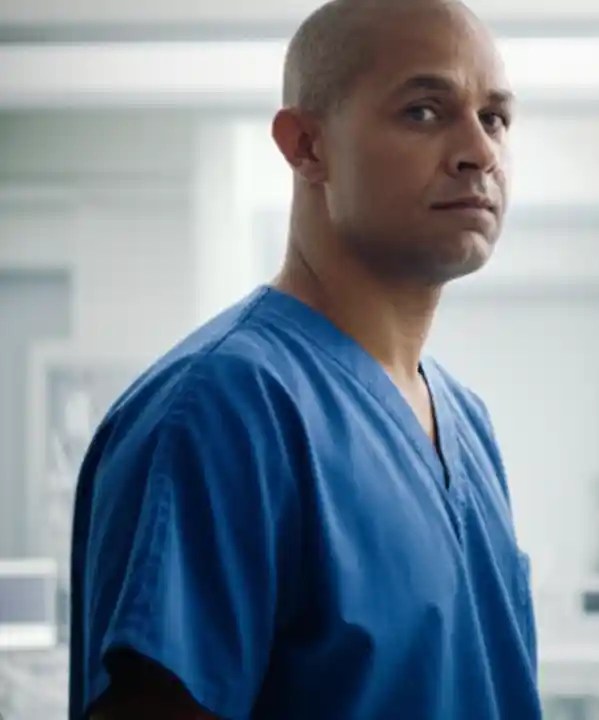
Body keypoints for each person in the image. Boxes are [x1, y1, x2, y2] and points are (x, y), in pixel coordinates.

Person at [68, 0, 539, 717]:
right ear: (307, 146)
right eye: (423, 111)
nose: (480, 151)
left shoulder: (467, 423)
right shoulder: (225, 409)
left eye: (495, 118)